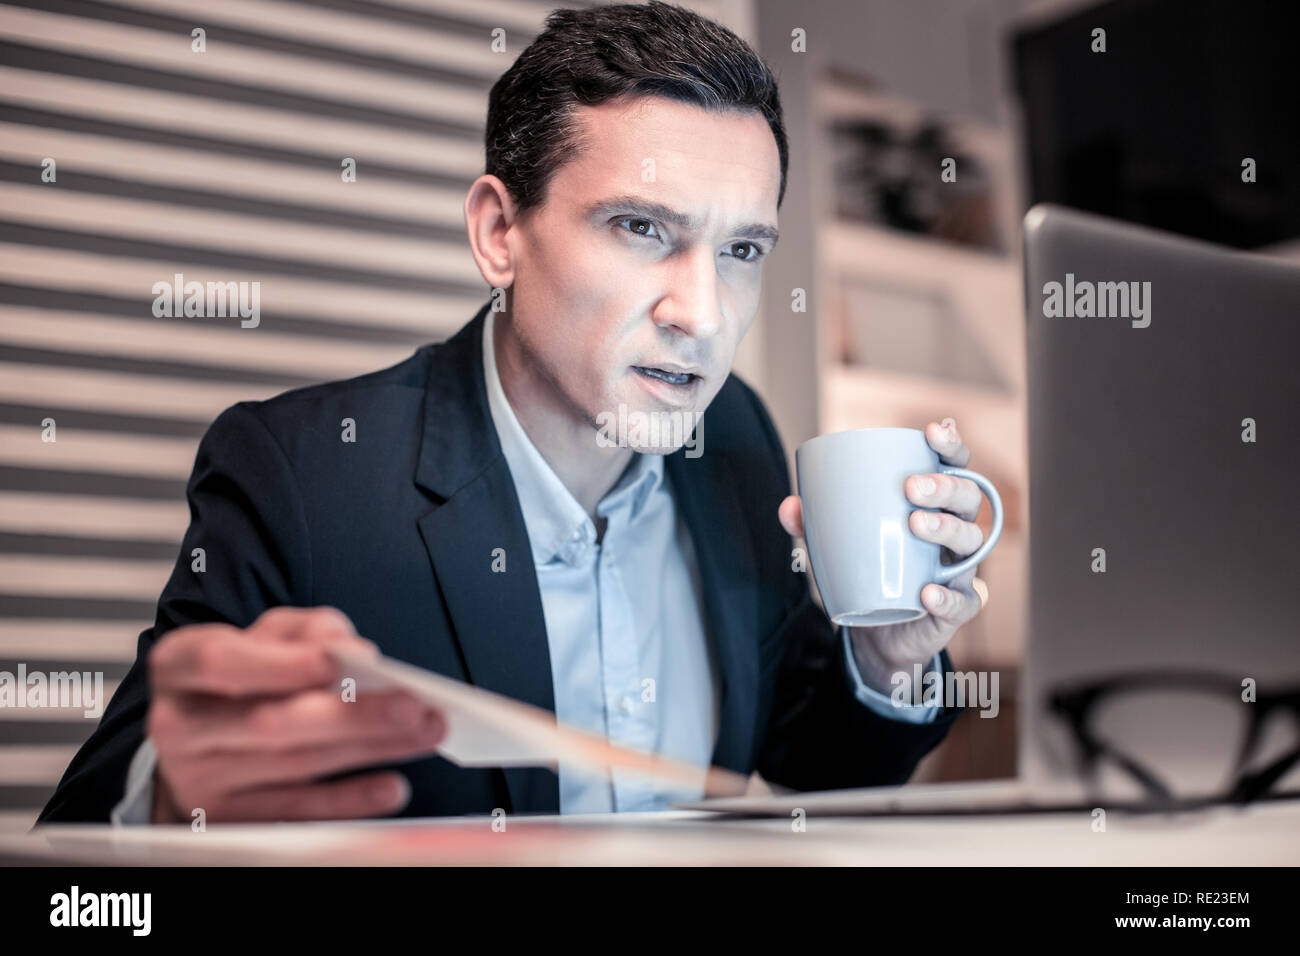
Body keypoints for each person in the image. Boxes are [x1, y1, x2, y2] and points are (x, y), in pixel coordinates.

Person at [38, 1, 990, 825]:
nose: (703, 314)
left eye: (743, 249)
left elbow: (812, 759)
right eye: (642, 228)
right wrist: (171, 808)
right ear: (500, 234)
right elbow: (79, 884)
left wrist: (885, 658)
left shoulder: (733, 436)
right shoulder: (299, 472)